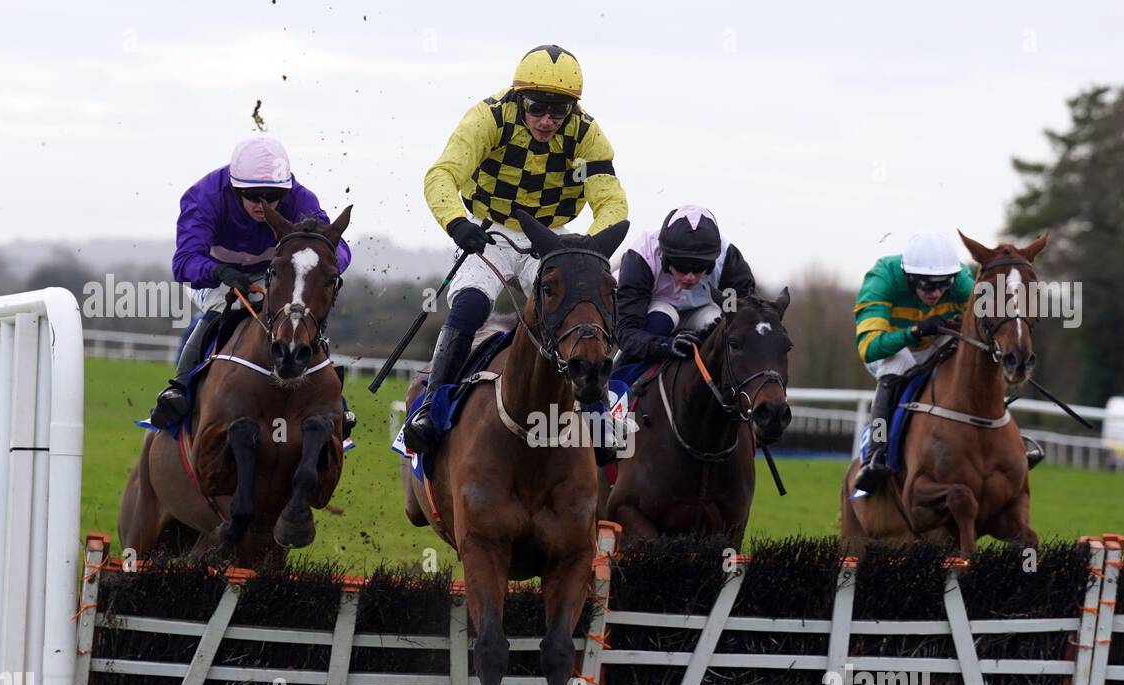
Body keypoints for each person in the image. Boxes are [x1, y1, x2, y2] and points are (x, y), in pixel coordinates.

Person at [405, 43, 630, 453]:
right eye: (537, 107)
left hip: (551, 237)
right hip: (489, 231)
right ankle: (431, 409)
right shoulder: (487, 118)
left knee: (581, 311)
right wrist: (457, 224)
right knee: (470, 307)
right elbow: (441, 174)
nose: (547, 120)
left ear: (572, 109)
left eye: (558, 111)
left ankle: (600, 421)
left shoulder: (587, 133)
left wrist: (590, 248)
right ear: (518, 97)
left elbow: (612, 202)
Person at [148, 136, 353, 430]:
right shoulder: (203, 197)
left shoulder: (300, 199)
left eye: (272, 197)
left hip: (274, 273)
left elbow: (337, 247)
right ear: (234, 189)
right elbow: (184, 263)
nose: (264, 204)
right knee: (221, 306)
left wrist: (324, 266)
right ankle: (178, 389)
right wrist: (219, 273)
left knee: (301, 316)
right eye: (253, 195)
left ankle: (335, 404)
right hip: (214, 273)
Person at [851, 232, 973, 491]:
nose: (936, 292)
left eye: (943, 285)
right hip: (892, 348)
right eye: (927, 286)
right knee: (896, 366)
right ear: (909, 278)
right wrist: (915, 332)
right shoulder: (882, 277)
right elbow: (870, 348)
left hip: (938, 339)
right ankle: (876, 454)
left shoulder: (962, 281)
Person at [613, 205, 755, 376]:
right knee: (662, 317)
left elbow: (741, 320)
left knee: (719, 325)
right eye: (682, 267)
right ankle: (618, 382)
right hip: (652, 312)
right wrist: (665, 345)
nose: (689, 277)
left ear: (711, 263)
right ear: (665, 259)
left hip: (701, 311)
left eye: (698, 268)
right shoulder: (641, 257)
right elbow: (627, 333)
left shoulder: (729, 261)